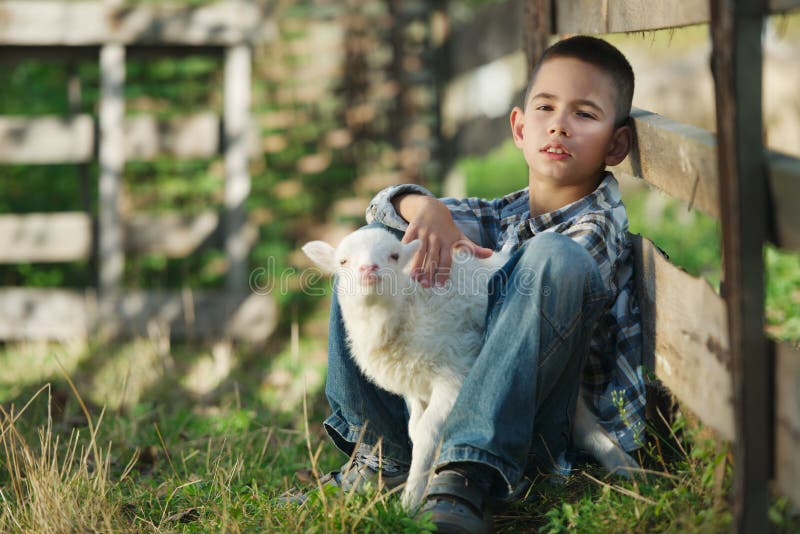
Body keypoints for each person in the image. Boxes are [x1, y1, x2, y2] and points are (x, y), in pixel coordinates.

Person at [320, 35, 645, 533]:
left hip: (529, 422)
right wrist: (423, 208)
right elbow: (382, 209)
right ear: (519, 126)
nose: (558, 124)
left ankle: (465, 470)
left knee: (550, 258)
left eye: (584, 114)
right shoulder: (501, 215)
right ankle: (381, 452)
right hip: (452, 397)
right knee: (369, 252)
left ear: (617, 143)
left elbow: (530, 304)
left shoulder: (594, 227)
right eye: (546, 107)